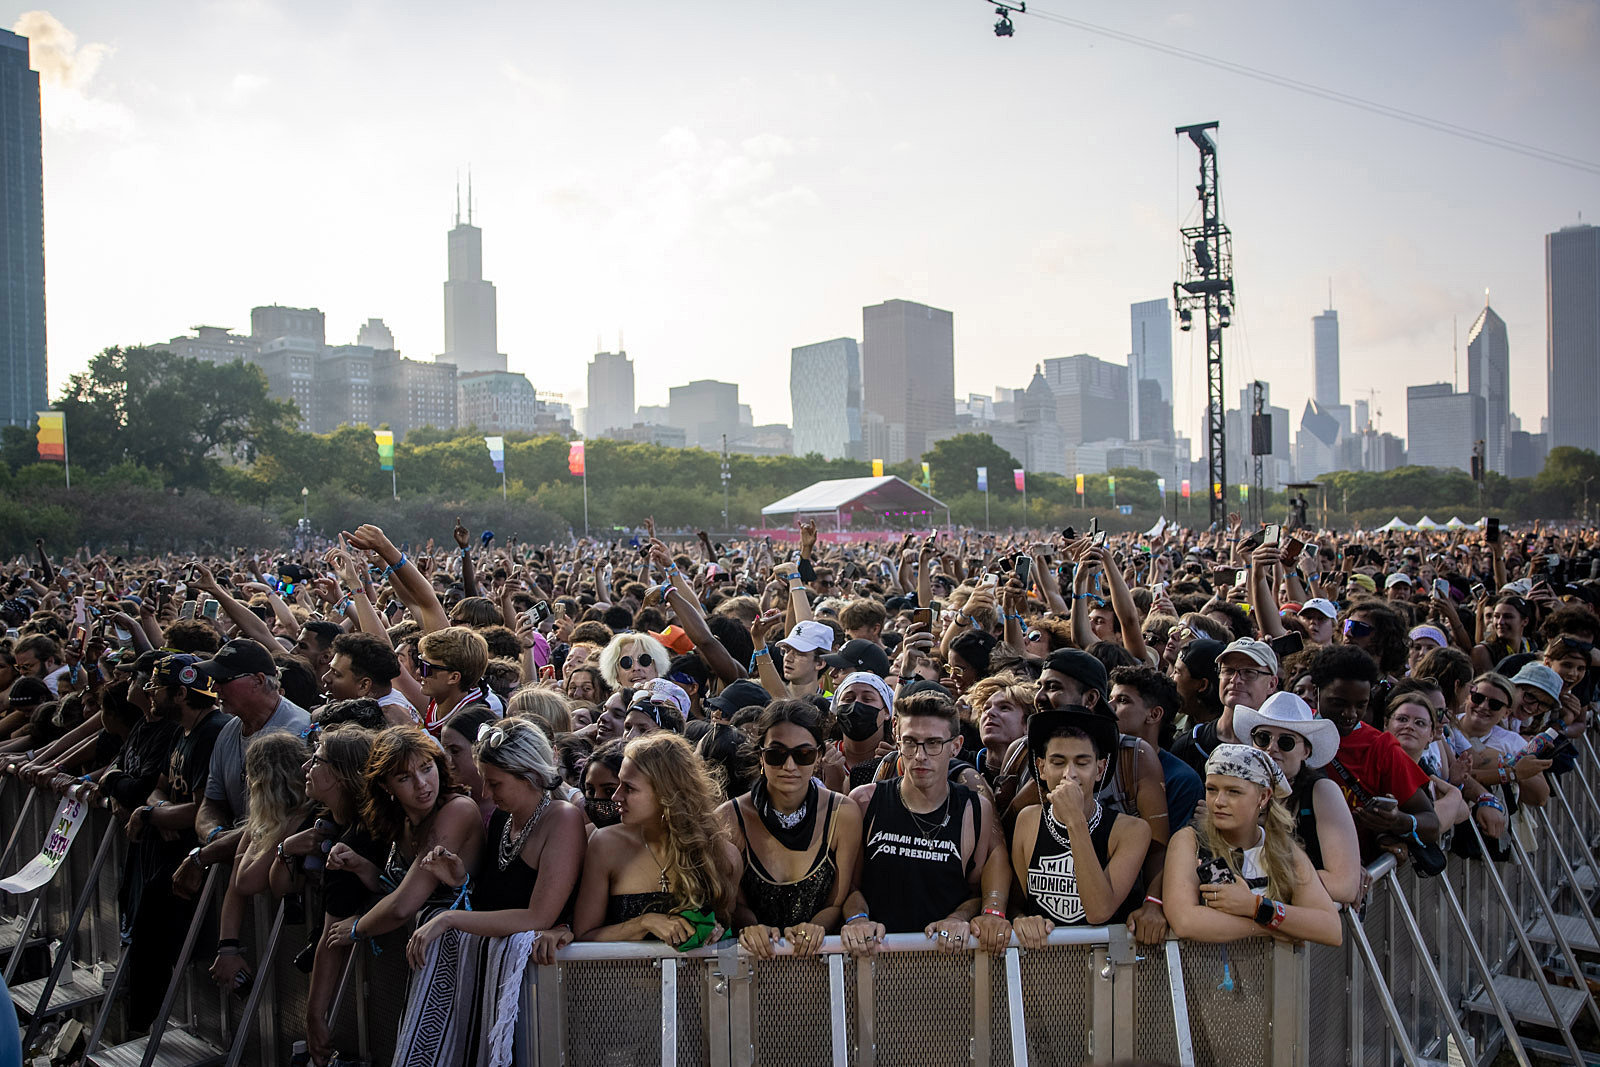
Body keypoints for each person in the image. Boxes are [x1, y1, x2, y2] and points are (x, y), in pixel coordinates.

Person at [404, 718, 587, 1054]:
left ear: (530, 775)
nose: (486, 794)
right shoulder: (502, 818)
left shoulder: (563, 818)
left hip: (545, 997)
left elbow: (538, 916)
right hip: (499, 985)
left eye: (496, 784)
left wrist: (447, 919)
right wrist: (461, 881)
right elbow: (494, 903)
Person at [322, 725, 485, 1064]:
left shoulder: (457, 810)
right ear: (385, 786)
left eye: (427, 768)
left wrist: (356, 928)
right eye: (404, 777)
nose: (423, 784)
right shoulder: (405, 821)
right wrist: (361, 867)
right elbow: (398, 889)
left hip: (458, 964)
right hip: (420, 963)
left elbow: (403, 906)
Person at [841, 690, 999, 953]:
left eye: (933, 743)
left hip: (945, 963)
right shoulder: (865, 801)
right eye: (911, 742)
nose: (921, 755)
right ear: (898, 741)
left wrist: (959, 917)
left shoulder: (974, 809)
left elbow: (975, 890)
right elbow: (848, 885)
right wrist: (858, 919)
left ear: (956, 746)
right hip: (874, 958)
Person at [1163, 744, 1341, 947]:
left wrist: (1255, 906)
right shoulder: (1190, 841)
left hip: (1275, 977)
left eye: (1233, 792)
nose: (1219, 801)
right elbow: (1185, 921)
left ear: (1263, 797)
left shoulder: (1284, 849)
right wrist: (1268, 927)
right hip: (1206, 973)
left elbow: (1331, 928)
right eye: (1212, 789)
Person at [723, 700, 863, 957]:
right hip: (750, 962)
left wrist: (816, 928)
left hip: (821, 962)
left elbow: (839, 900)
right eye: (776, 754)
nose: (789, 766)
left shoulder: (843, 814)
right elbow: (731, 904)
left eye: (803, 755)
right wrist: (751, 928)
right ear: (760, 756)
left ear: (819, 756)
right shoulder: (729, 818)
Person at [1003, 706, 1151, 947]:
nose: (1069, 774)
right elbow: (1019, 901)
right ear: (1041, 768)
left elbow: (1099, 911)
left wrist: (1075, 820)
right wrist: (1021, 919)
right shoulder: (1028, 819)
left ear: (1099, 769)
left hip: (1107, 967)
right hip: (1042, 963)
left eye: (1082, 763)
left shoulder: (1131, 830)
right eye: (1058, 762)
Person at [573, 732, 741, 943]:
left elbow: (728, 932)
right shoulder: (604, 844)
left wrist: (716, 932)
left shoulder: (723, 854)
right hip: (620, 975)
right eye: (618, 785)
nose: (616, 797)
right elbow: (584, 935)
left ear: (666, 793)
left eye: (629, 788)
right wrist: (644, 923)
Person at [177, 639, 311, 897]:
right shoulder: (228, 730)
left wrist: (207, 854)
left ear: (259, 680)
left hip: (280, 890)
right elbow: (210, 803)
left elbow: (277, 822)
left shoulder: (298, 731)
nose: (214, 687)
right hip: (242, 874)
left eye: (223, 679)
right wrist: (216, 836)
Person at [1307, 645, 1441, 863]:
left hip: (1356, 880)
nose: (1350, 714)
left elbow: (1431, 824)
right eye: (1338, 703)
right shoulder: (1288, 733)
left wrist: (1396, 821)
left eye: (1361, 705)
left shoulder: (1382, 748)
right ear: (1316, 692)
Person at [208, 733, 312, 995]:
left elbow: (247, 879)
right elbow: (237, 882)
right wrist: (227, 948)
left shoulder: (306, 813)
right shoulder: (270, 821)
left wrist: (279, 831)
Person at [1234, 692, 1361, 904]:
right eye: (1263, 737)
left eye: (1286, 742)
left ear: (1306, 751)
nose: (1271, 748)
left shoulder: (1322, 792)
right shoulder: (1233, 788)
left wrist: (1257, 886)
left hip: (1307, 928)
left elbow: (1343, 885)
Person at [416, 626, 496, 734]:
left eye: (426, 667)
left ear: (453, 677)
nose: (418, 672)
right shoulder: (438, 697)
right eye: (420, 662)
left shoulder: (472, 723)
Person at [326, 632, 413, 724]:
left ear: (364, 686)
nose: (325, 678)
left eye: (336, 673)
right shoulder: (391, 698)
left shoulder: (382, 720)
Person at [596, 633, 671, 691]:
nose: (636, 668)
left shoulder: (674, 706)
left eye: (644, 660)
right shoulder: (610, 710)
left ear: (656, 669)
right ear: (616, 675)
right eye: (626, 663)